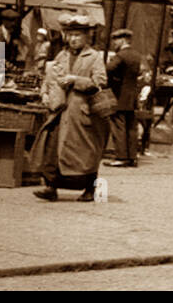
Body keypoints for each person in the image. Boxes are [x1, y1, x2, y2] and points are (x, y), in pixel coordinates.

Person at [31, 16, 109, 202]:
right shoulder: (62, 55)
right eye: (70, 35)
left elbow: (100, 82)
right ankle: (51, 187)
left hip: (81, 113)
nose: (73, 39)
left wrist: (75, 80)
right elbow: (50, 77)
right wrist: (45, 93)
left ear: (86, 37)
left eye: (77, 35)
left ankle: (90, 188)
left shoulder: (94, 57)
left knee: (85, 153)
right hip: (60, 111)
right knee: (53, 148)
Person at [105, 28, 142, 168]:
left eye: (115, 40)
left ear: (122, 40)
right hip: (132, 96)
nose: (114, 43)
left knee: (118, 127)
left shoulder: (120, 55)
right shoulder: (136, 55)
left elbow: (108, 69)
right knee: (131, 127)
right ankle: (132, 156)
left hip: (119, 95)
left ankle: (121, 157)